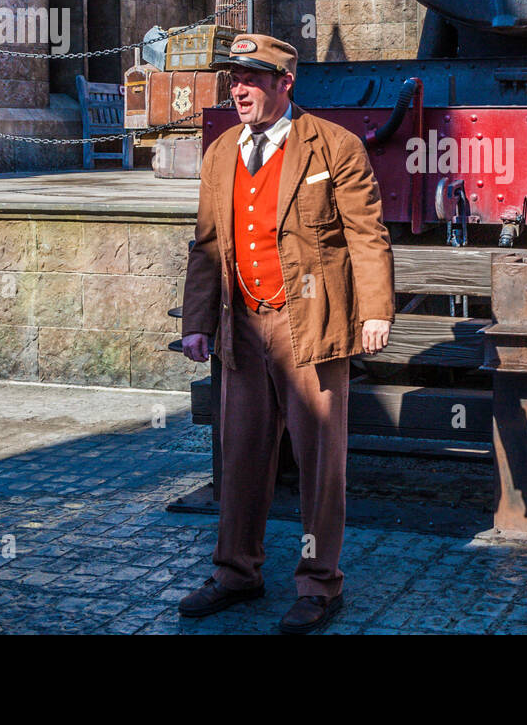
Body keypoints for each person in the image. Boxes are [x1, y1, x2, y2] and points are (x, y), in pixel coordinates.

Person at [177, 32, 394, 634]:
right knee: (241, 454)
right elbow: (207, 245)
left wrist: (375, 311)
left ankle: (319, 584)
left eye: (250, 79)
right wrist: (197, 321)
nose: (237, 89)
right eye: (232, 78)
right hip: (241, 329)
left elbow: (366, 235)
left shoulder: (335, 146)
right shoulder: (220, 152)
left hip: (313, 326)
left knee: (320, 460)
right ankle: (235, 572)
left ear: (284, 84)